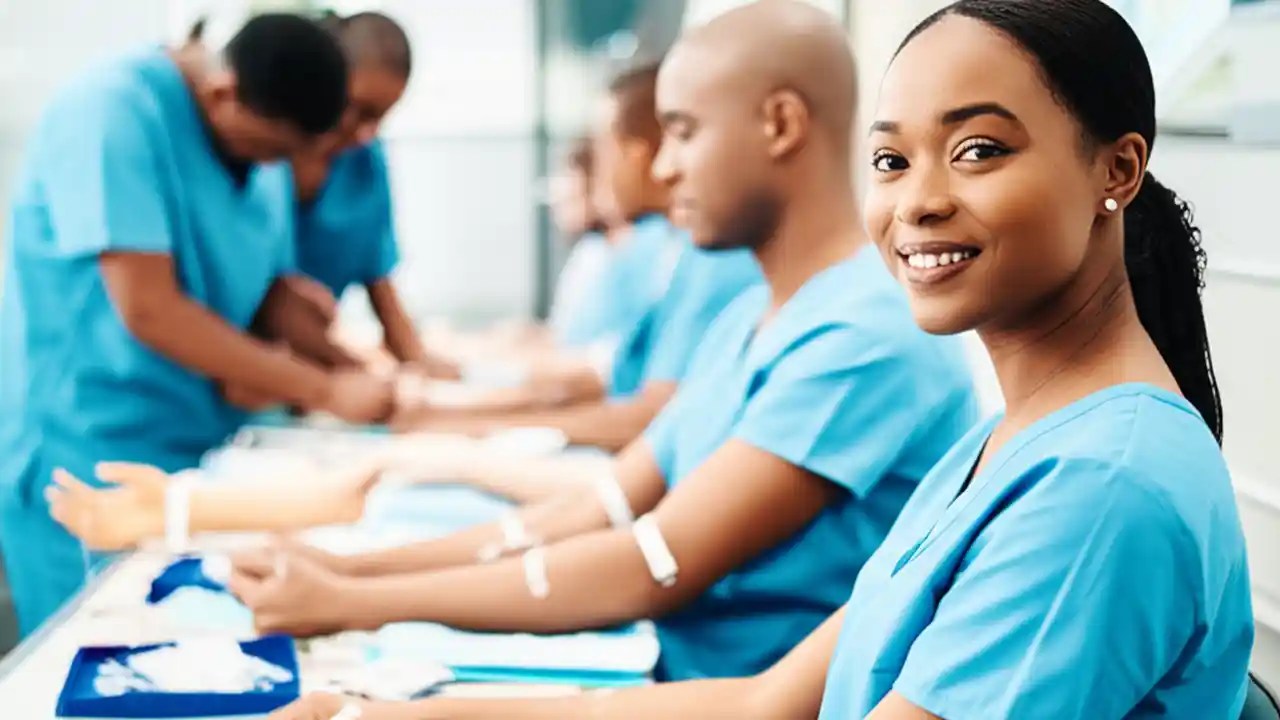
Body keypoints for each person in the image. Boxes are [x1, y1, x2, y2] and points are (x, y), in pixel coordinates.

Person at [265, 0, 1254, 717]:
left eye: (979, 150)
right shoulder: (1011, 443)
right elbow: (764, 702)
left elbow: (652, 567)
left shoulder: (1095, 488)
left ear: (1114, 170)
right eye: (889, 160)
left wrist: (357, 591)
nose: (914, 202)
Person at [227, 0, 975, 687]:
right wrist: (349, 571)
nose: (662, 166)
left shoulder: (865, 335)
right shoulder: (751, 317)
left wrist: (356, 601)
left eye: (682, 131)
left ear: (780, 124)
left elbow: (650, 565)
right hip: (674, 676)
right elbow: (598, 505)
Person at [0, 14, 392, 636]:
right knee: (94, 657)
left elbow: (257, 284)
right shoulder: (111, 112)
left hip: (200, 455)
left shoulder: (263, 140)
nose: (267, 168)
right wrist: (321, 390)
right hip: (90, 451)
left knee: (206, 656)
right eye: (264, 152)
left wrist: (340, 356)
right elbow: (149, 307)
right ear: (220, 94)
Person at [398, 65, 764, 450]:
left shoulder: (712, 259)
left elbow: (646, 419)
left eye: (605, 151)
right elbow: (602, 379)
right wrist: (456, 410)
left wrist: (466, 424)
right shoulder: (681, 255)